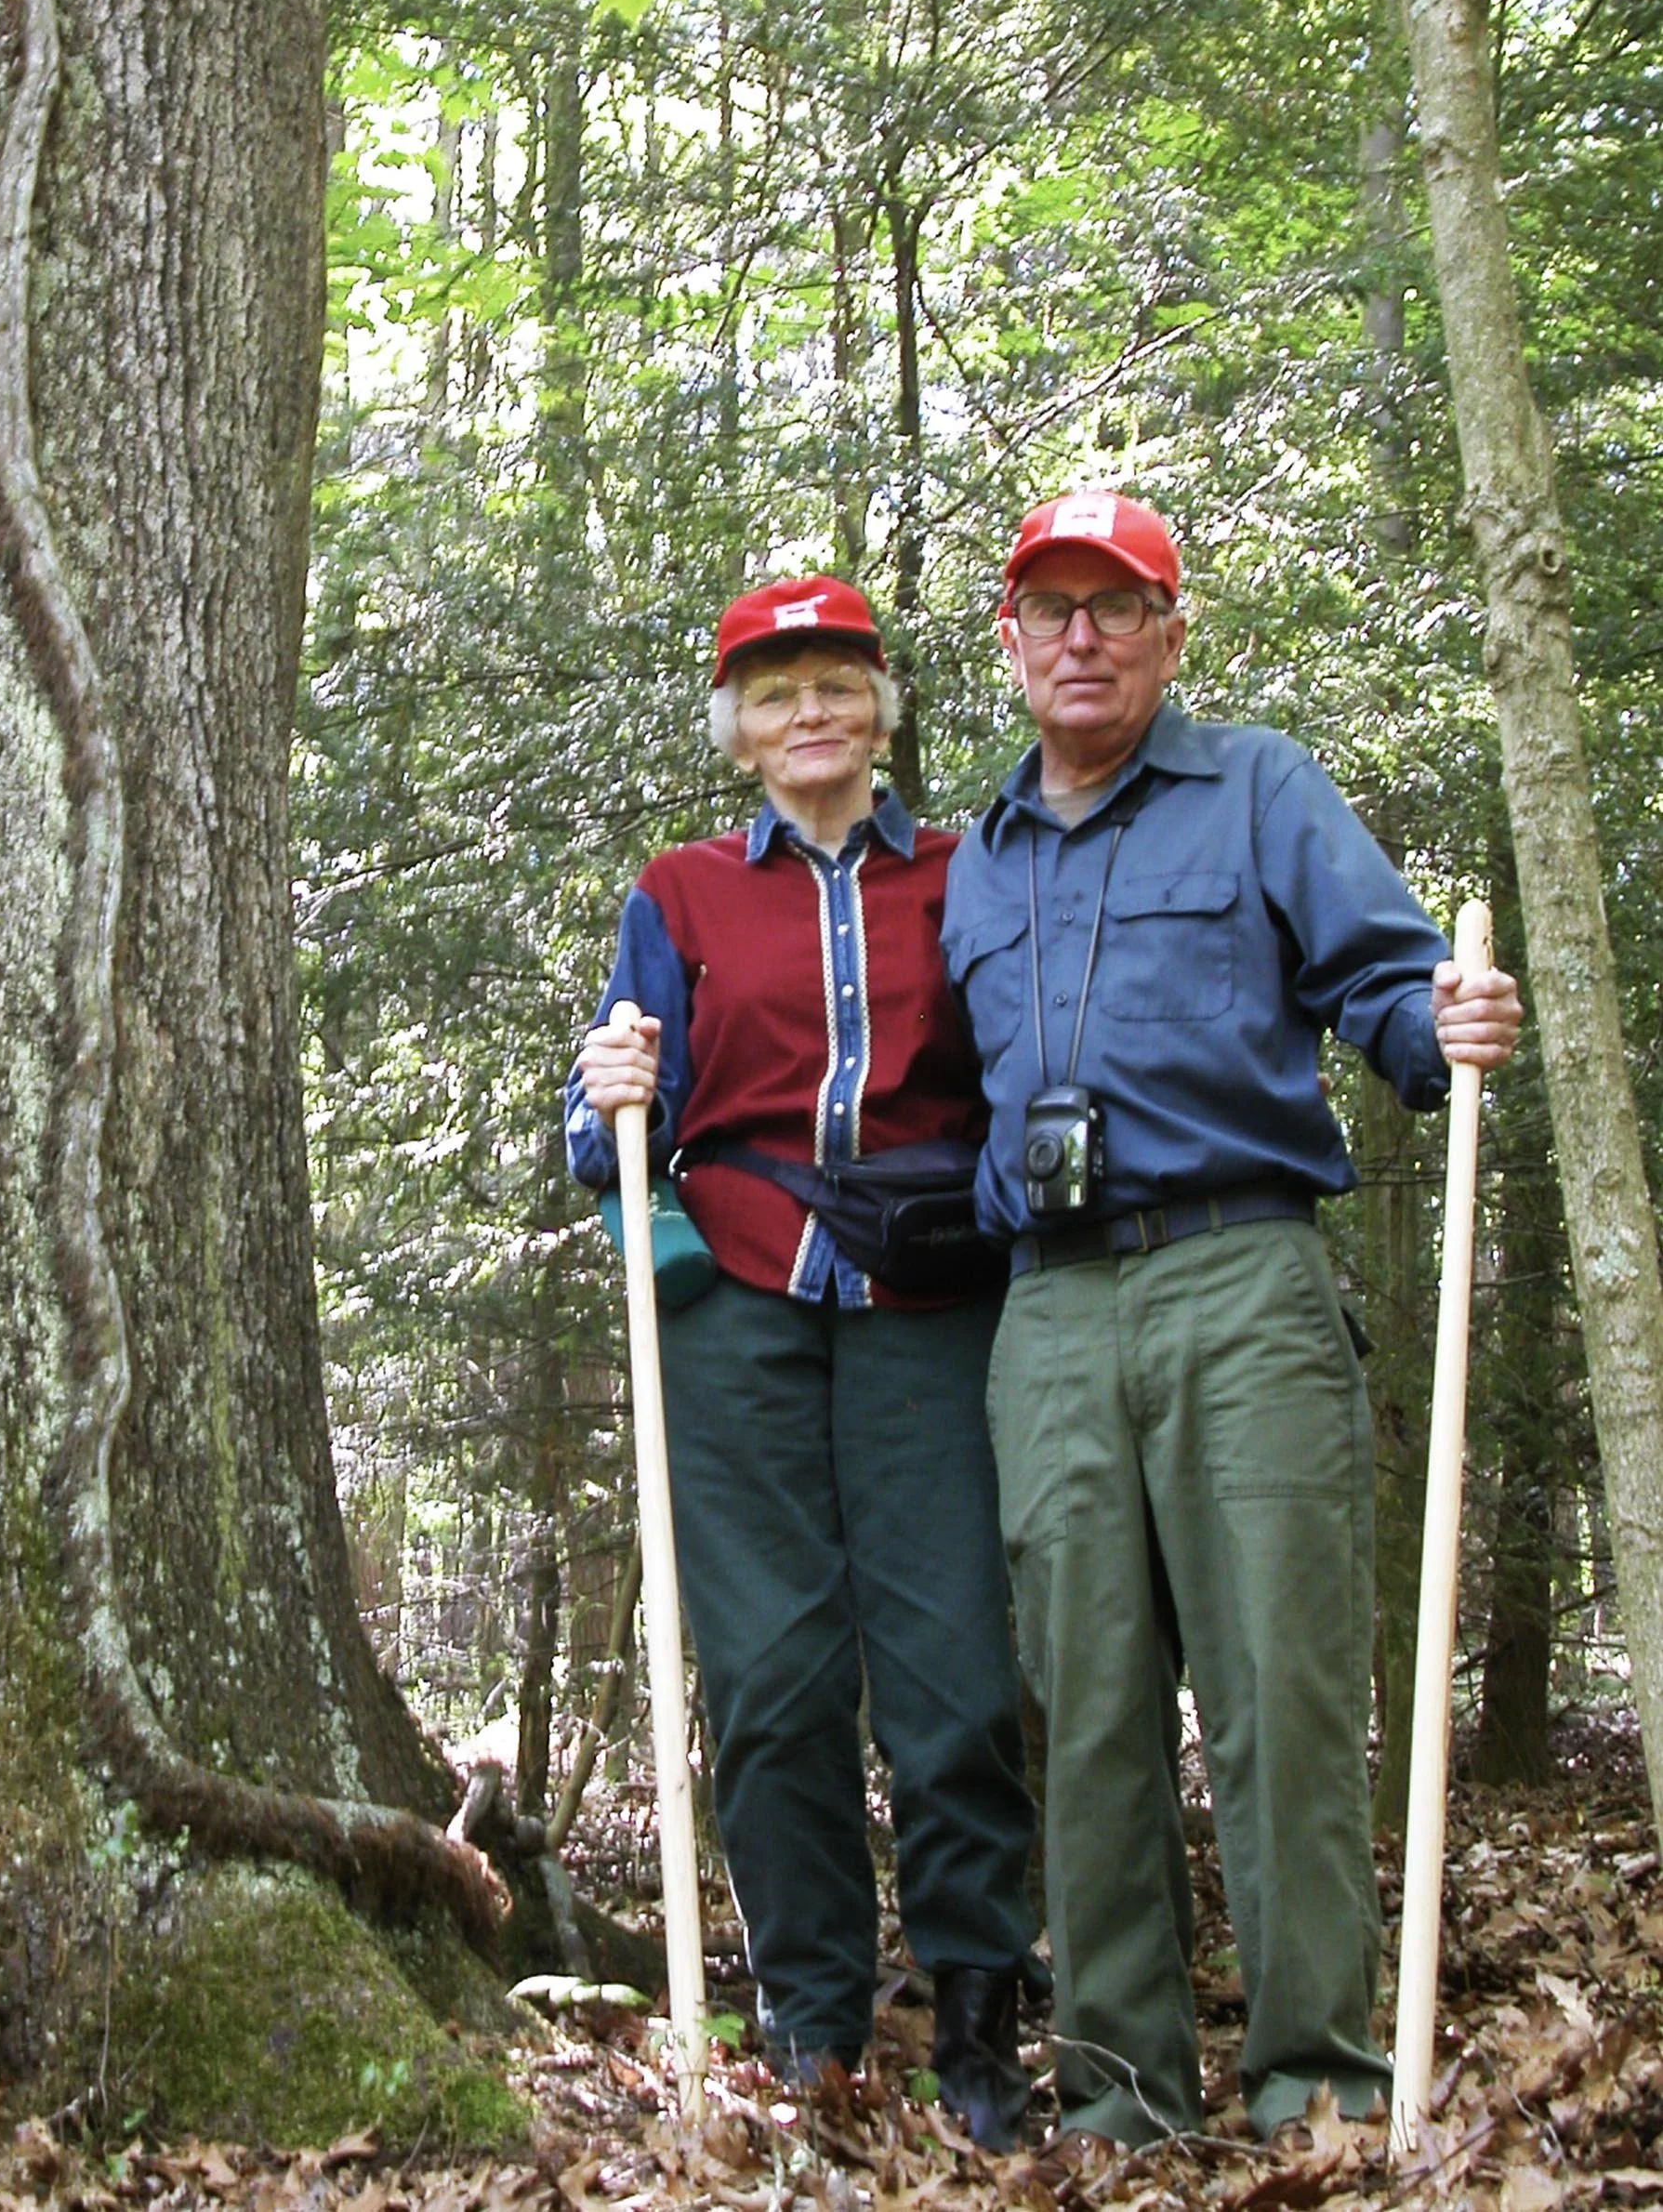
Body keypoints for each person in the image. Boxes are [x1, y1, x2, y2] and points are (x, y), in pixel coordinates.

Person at [941, 490, 1523, 2149]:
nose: (1081, 637)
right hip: (1044, 1315)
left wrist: (1443, 1018)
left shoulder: (1258, 787)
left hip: (1238, 1279)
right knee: (1090, 1704)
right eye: (1049, 609)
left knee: (1279, 1693)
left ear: (1171, 633)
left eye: (1115, 608)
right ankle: (1121, 2094)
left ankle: (1314, 2088)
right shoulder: (970, 864)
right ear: (1007, 643)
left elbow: (1387, 981)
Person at [567, 574, 1038, 2143]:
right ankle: (814, 2020)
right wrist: (603, 1089)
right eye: (775, 694)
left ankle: (978, 2016)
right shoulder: (681, 897)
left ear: (883, 703)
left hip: (929, 1304)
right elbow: (609, 1123)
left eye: (837, 682)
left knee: (957, 1681)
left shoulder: (970, 874)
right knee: (772, 1681)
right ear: (737, 731)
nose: (808, 714)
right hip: (743, 1306)